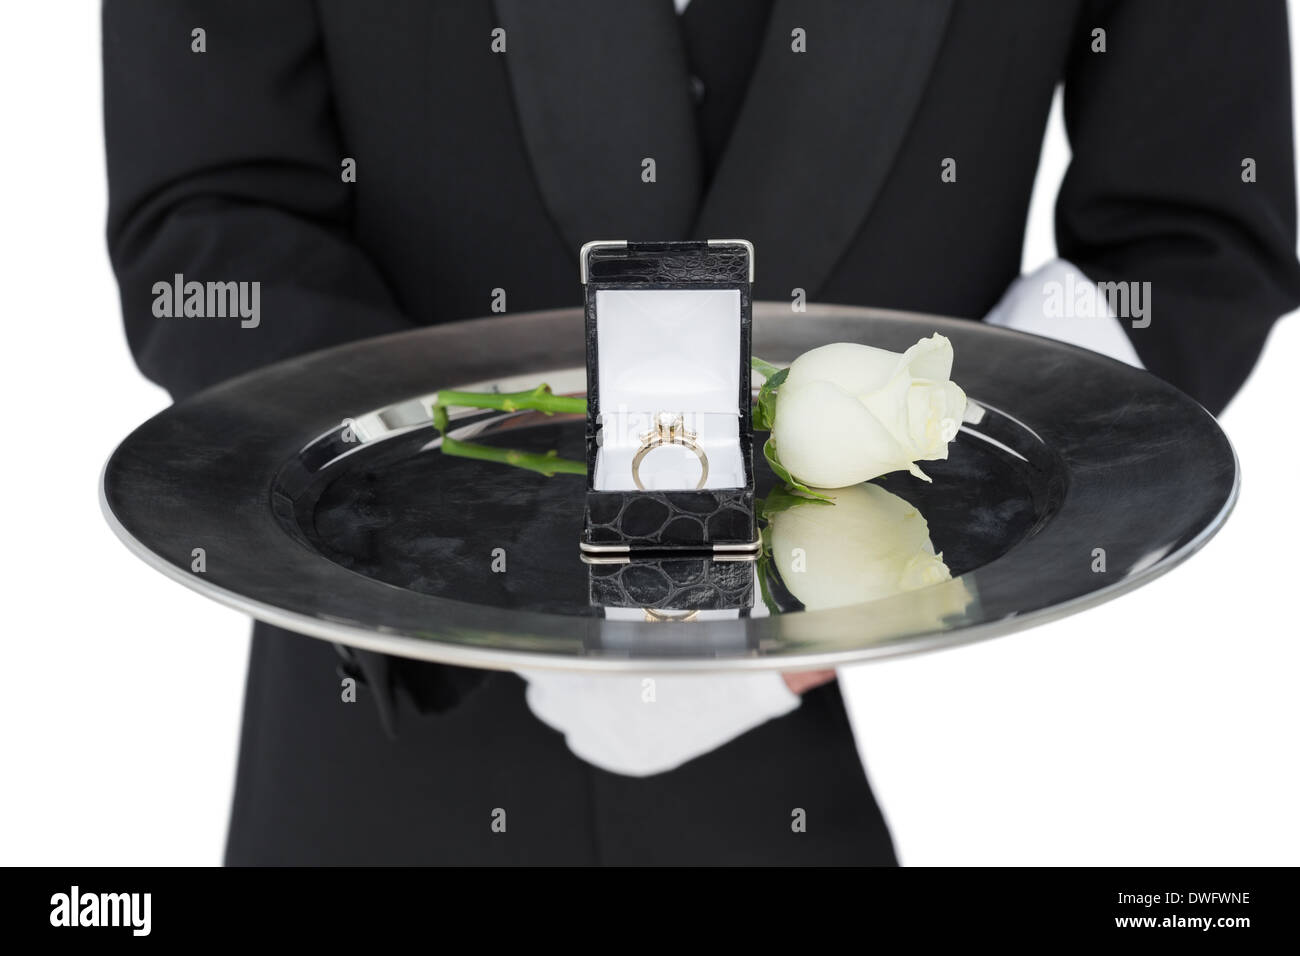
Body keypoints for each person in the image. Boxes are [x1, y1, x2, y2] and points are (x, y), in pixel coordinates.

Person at [103, 0, 1300, 865]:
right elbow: (210, 220)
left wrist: (837, 584)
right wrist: (486, 572)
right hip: (386, 745)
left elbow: (1192, 241)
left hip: (834, 759)